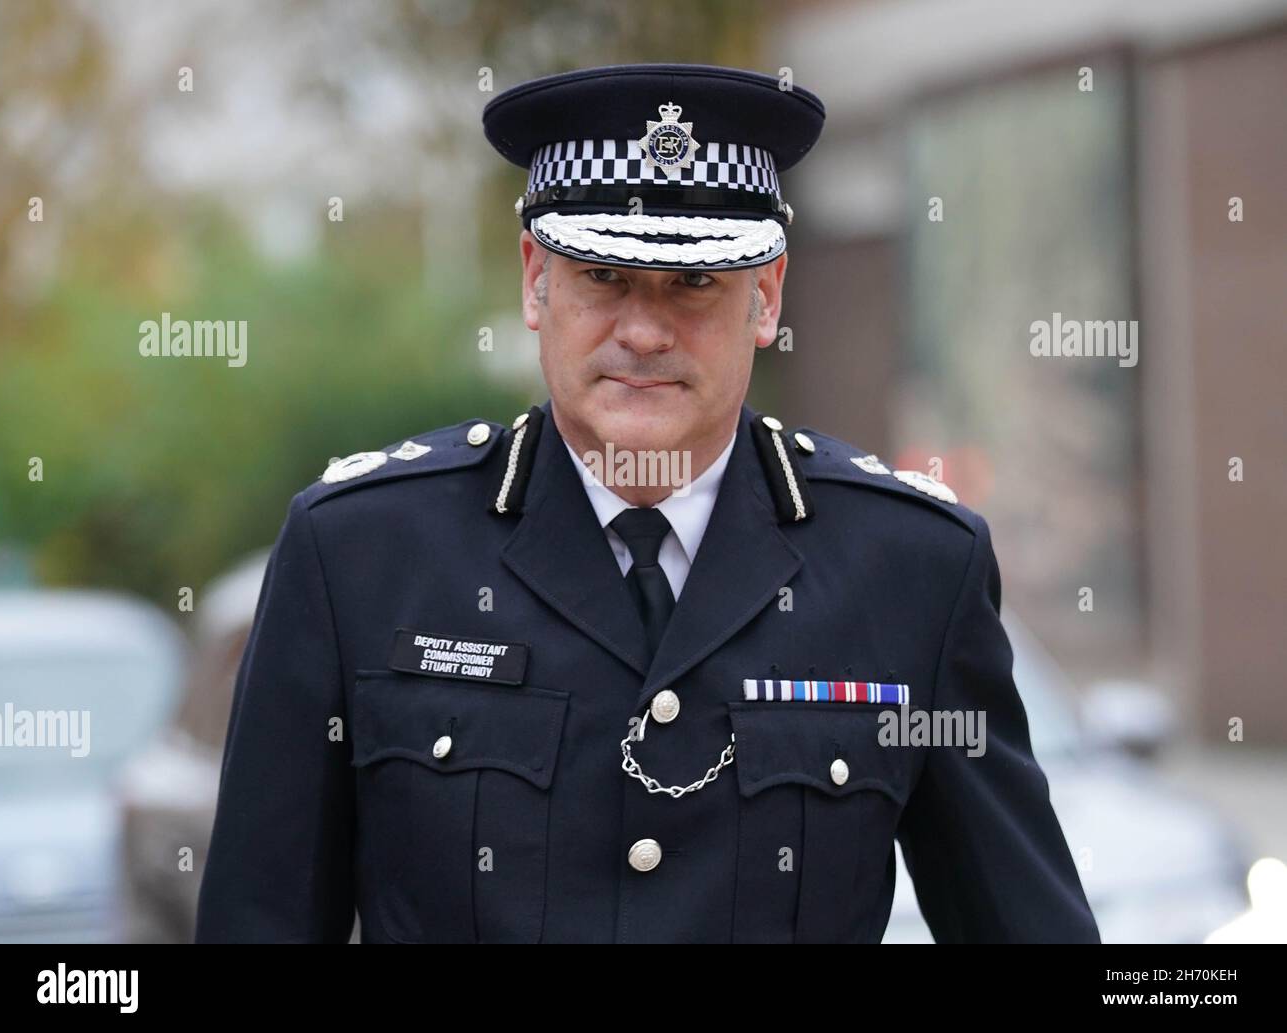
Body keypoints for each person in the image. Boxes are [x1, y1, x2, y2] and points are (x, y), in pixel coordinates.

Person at [194, 62, 1100, 943]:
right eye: (602, 276)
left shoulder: (910, 569)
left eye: (695, 283)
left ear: (768, 294)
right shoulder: (360, 553)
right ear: (534, 282)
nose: (642, 329)